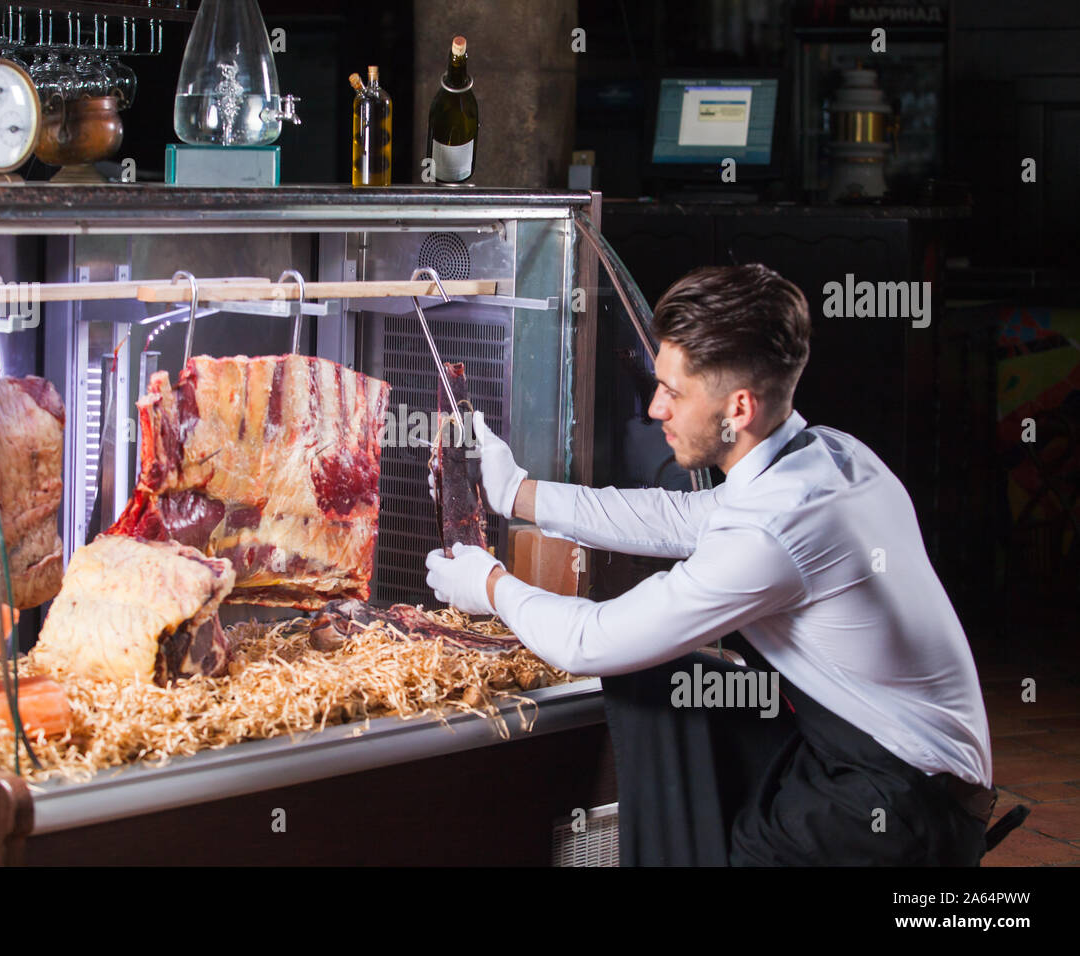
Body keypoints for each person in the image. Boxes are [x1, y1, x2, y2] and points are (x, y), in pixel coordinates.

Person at [424, 263, 995, 866]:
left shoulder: (773, 533)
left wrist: (489, 584)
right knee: (663, 686)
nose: (653, 408)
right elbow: (678, 518)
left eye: (673, 391)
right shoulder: (829, 454)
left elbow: (591, 641)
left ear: (738, 408)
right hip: (891, 766)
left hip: (901, 807)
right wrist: (516, 492)